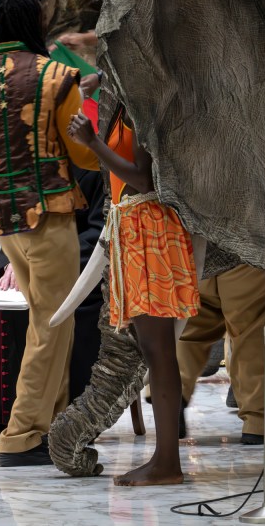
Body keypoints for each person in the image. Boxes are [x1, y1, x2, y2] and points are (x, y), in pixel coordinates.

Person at [0, 0, 99, 467]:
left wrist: (1, 183)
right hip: (52, 216)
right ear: (34, 24)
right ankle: (22, 434)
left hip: (6, 223)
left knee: (46, 319)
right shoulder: (56, 76)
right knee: (51, 326)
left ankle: (52, 426)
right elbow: (82, 156)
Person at [67, 96, 200, 485]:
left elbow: (144, 178)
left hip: (151, 231)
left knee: (159, 353)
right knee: (153, 351)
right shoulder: (128, 106)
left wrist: (93, 142)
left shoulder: (145, 108)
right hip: (133, 230)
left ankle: (167, 463)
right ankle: (164, 460)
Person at [0, 165, 106, 448]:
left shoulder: (94, 171)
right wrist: (13, 262)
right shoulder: (27, 168)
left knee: (70, 317)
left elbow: (101, 233)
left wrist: (46, 267)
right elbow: (14, 228)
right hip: (29, 269)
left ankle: (64, 418)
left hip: (80, 280)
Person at [175, 265, 265, 444]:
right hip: (249, 255)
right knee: (254, 331)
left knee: (190, 327)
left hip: (199, 254)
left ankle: (170, 399)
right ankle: (262, 422)